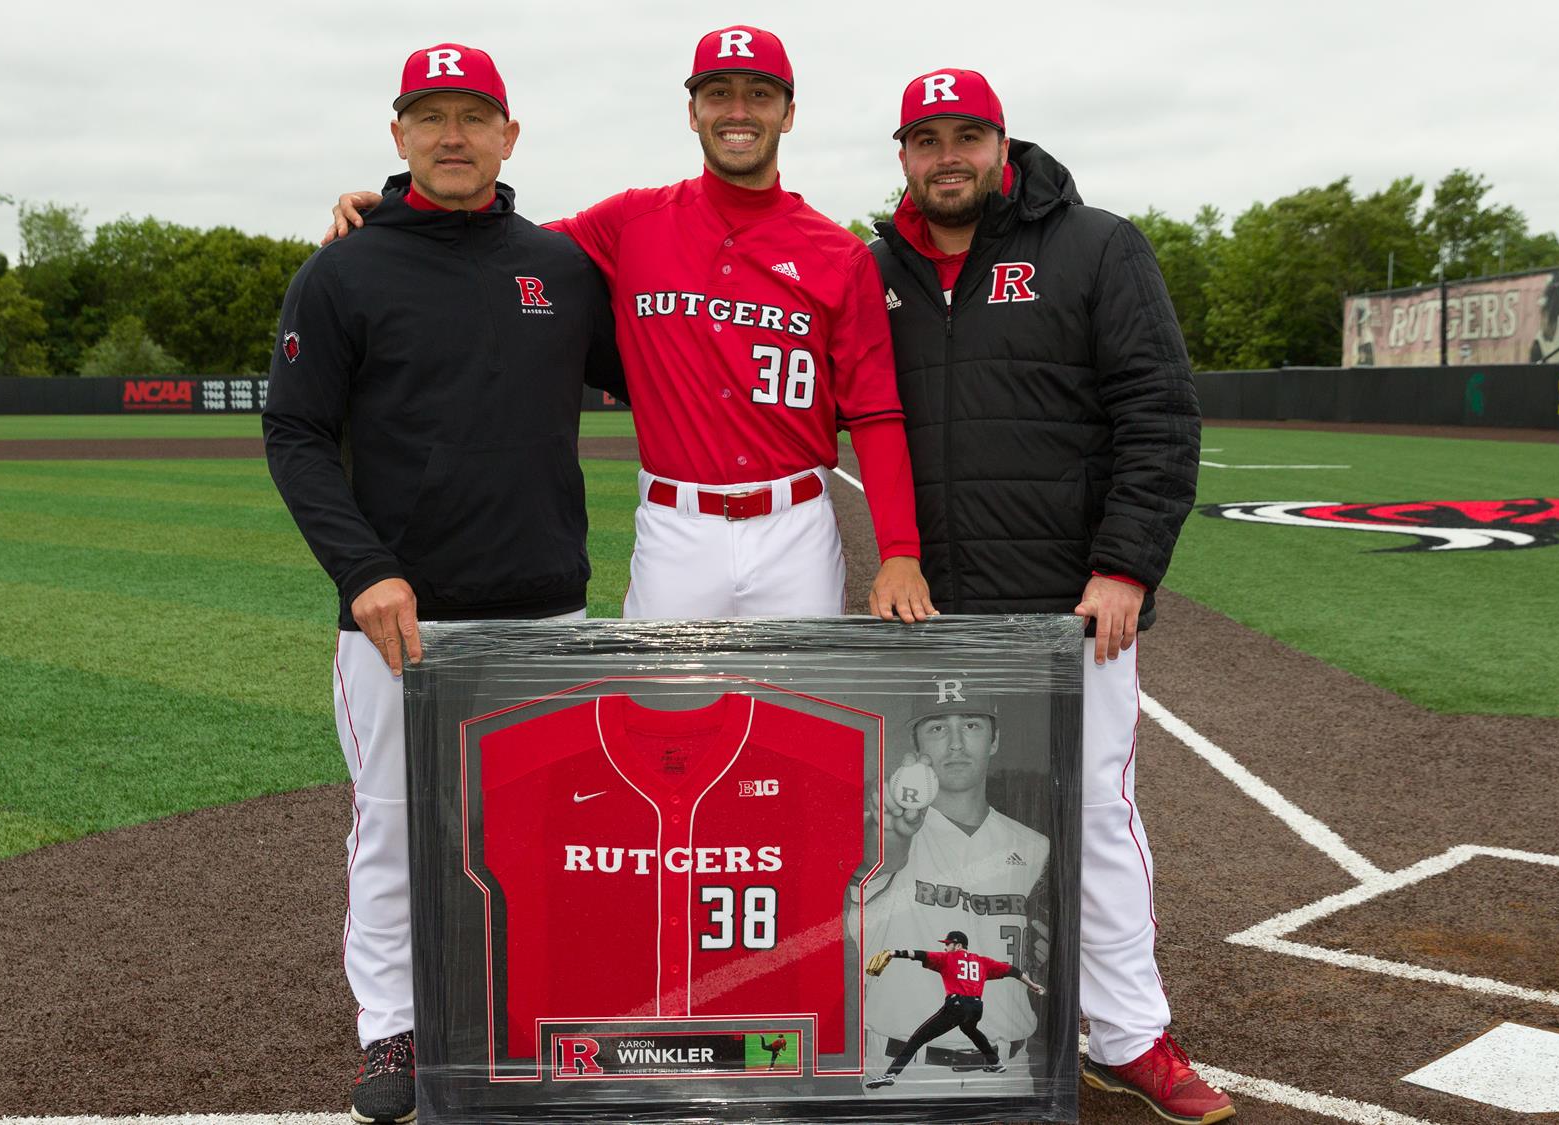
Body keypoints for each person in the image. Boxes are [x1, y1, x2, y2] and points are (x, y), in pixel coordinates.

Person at [262, 43, 621, 1125]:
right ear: (398, 135)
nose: (452, 135)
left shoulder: (557, 268)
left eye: (474, 116)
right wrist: (364, 570)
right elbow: (293, 432)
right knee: (392, 827)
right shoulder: (342, 270)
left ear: (510, 136)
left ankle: (537, 1008)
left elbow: (664, 356)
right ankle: (391, 1030)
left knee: (553, 824)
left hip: (544, 605)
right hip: (399, 617)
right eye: (431, 116)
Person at [866, 69, 1229, 1123]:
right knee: (922, 820)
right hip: (926, 614)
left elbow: (1157, 413)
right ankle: (916, 1017)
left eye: (966, 135)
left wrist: (1124, 566)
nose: (947, 156)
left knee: (1095, 824)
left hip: (1066, 608)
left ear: (1000, 143)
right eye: (925, 138)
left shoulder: (1094, 246)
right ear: (901, 155)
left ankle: (1126, 1036)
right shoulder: (870, 270)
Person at [325, 26, 933, 624]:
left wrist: (900, 552)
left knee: (800, 715)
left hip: (797, 527)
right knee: (667, 718)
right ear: (692, 112)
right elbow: (498, 248)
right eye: (718, 93)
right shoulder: (629, 221)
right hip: (675, 530)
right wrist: (408, 214)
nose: (738, 111)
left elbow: (875, 413)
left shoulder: (839, 254)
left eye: (759, 94)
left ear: (789, 112)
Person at [852, 681, 1051, 1097]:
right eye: (938, 728)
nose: (956, 744)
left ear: (994, 740)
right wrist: (887, 834)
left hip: (1010, 1071)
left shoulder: (1035, 847)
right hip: (904, 1075)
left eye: (973, 726)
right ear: (916, 746)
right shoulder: (883, 831)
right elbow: (880, 860)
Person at [863, 929, 1047, 1089]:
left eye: (948, 944)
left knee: (918, 1037)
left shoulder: (947, 958)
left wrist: (894, 953)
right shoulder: (983, 962)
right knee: (970, 1029)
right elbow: (1013, 970)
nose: (945, 947)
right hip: (976, 1007)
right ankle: (995, 1062)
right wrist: (1033, 985)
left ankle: (890, 1074)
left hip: (957, 1006)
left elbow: (918, 954)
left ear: (958, 945)